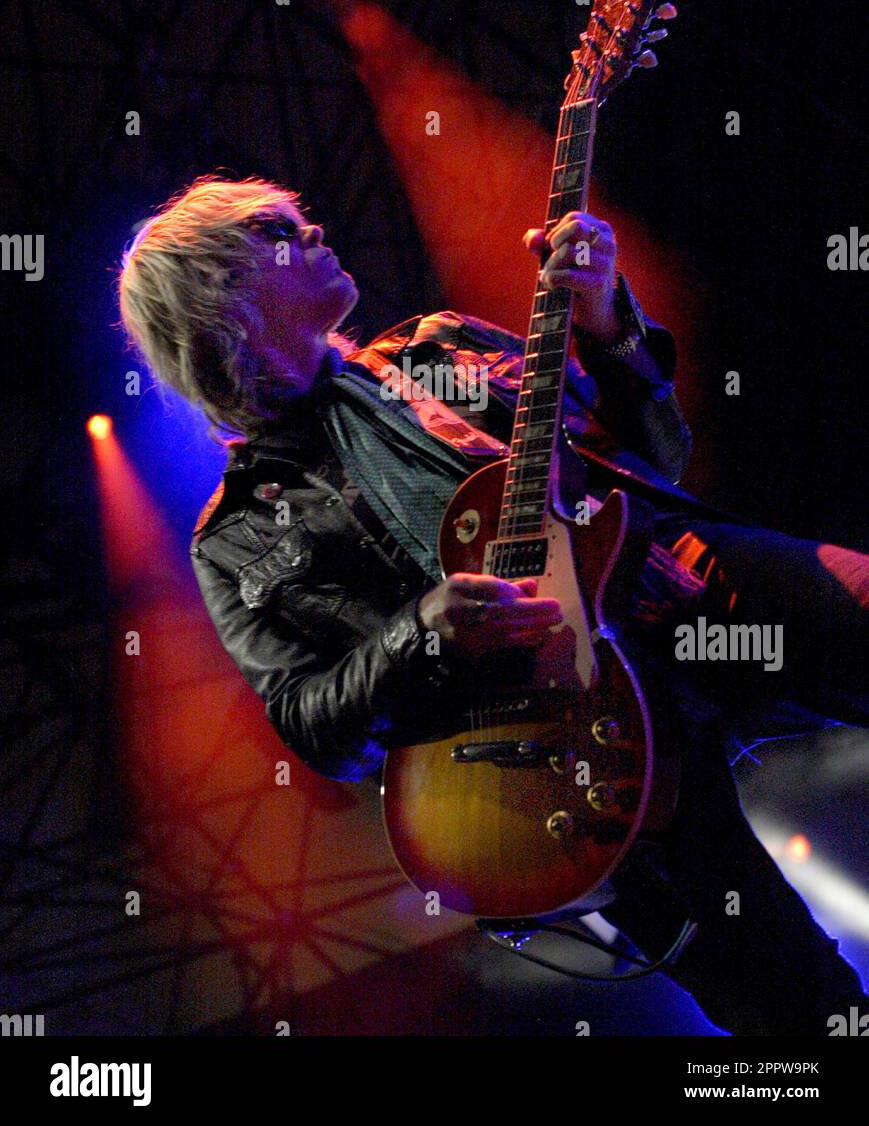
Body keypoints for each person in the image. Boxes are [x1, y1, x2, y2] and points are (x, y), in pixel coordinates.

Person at [118, 174, 869, 1035]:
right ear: (222, 295)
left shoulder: (437, 349)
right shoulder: (237, 534)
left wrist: (602, 322)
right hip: (543, 757)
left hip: (673, 588)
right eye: (276, 229)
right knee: (796, 1009)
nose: (314, 225)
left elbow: (655, 447)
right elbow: (313, 727)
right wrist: (421, 633)